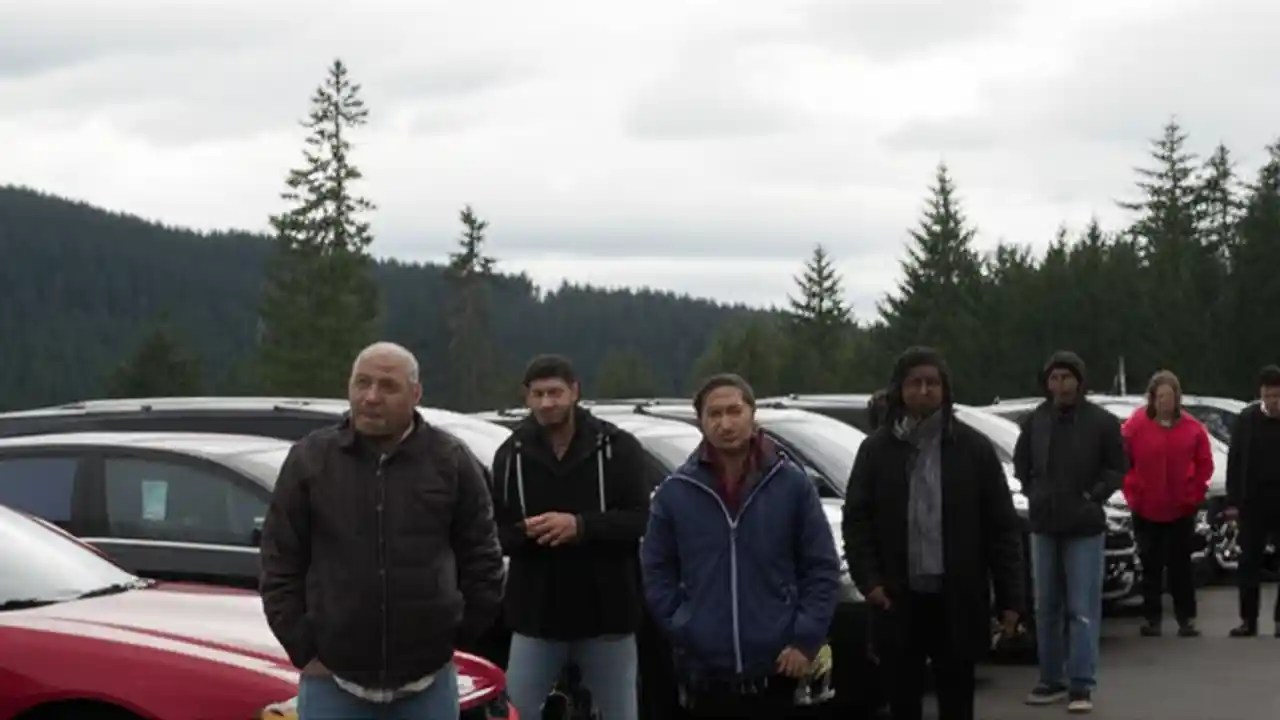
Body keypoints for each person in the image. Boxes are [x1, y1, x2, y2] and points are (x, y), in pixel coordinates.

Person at [259, 342, 504, 720]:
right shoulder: (310, 460)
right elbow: (280, 561)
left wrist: (453, 638)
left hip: (427, 685)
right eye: (362, 383)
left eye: (388, 386)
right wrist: (303, 648)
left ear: (416, 393)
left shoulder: (451, 461)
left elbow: (483, 561)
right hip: (332, 683)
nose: (371, 397)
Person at [641, 373, 840, 719]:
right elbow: (656, 568)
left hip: (778, 665)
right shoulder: (677, 491)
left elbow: (821, 566)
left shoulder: (791, 484)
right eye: (714, 414)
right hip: (706, 670)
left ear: (752, 414)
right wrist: (682, 624)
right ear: (700, 422)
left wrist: (805, 638)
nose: (725, 423)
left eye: (734, 411)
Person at [843, 347, 1024, 720]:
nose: (924, 390)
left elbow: (1001, 527)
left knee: (957, 699)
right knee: (902, 699)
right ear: (899, 389)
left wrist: (1012, 600)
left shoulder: (972, 449)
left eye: (932, 383)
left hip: (957, 597)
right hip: (896, 598)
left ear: (945, 390)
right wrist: (870, 583)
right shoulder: (876, 450)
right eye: (915, 383)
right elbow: (856, 521)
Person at [492, 354, 650, 720]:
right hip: (536, 617)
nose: (547, 402)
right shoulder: (510, 454)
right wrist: (524, 533)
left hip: (607, 618)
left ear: (575, 391)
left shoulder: (617, 447)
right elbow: (493, 532)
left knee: (620, 714)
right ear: (526, 397)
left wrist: (581, 527)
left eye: (555, 392)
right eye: (538, 394)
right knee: (515, 712)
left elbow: (641, 521)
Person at [1013, 351, 1126, 714]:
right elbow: (1022, 464)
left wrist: (1093, 495)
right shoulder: (1035, 421)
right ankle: (1050, 678)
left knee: (1082, 608)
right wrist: (1034, 492)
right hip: (1044, 524)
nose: (1060, 385)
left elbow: (1117, 467)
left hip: (1085, 527)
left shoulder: (1102, 422)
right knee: (1046, 607)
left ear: (1079, 380)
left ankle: (1081, 684)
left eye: (1066, 377)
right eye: (1054, 378)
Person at [1120, 370, 1213, 638]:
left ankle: (1186, 619)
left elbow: (1205, 465)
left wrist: (1193, 494)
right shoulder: (1136, 425)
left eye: (1169, 397)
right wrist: (1132, 491)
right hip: (1146, 507)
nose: (1164, 402)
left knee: (1180, 567)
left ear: (1177, 398)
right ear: (1152, 398)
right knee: (1149, 565)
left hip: (1180, 509)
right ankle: (1152, 619)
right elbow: (1122, 459)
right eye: (1159, 396)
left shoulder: (1193, 428)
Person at [1224, 364, 1280, 638]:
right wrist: (1233, 501)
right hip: (1252, 503)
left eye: (1278, 397)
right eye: (1269, 396)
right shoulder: (1246, 420)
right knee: (1248, 563)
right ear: (1261, 394)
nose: (1273, 402)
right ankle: (1248, 620)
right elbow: (1234, 462)